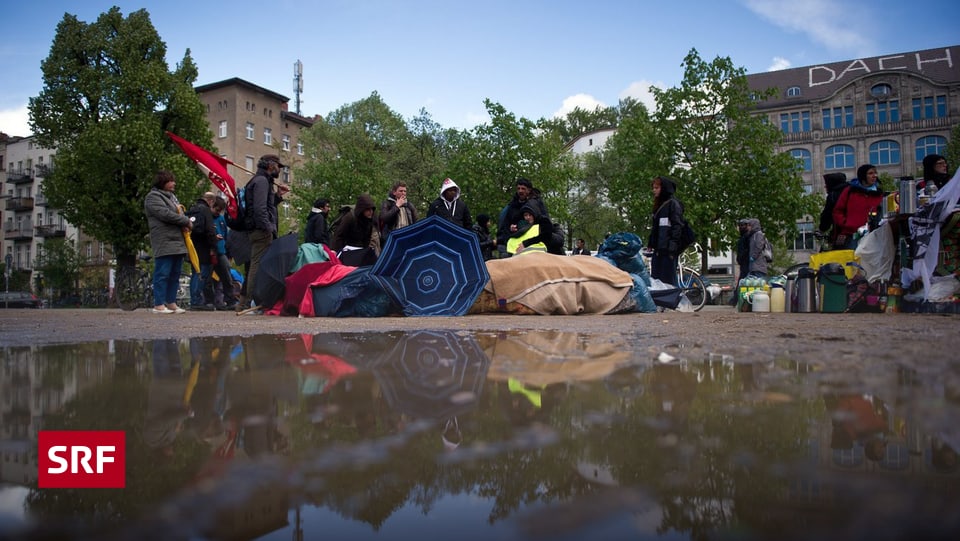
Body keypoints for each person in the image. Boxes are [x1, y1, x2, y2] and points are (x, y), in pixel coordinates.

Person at [241, 154, 289, 311]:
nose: (279, 170)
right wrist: (269, 228)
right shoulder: (261, 181)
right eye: (278, 166)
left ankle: (248, 302)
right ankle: (251, 302)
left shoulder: (261, 180)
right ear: (270, 165)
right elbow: (260, 209)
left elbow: (267, 205)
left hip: (258, 229)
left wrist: (277, 196)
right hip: (261, 231)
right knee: (257, 266)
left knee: (257, 265)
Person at [144, 170, 191, 314]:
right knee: (162, 273)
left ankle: (171, 303)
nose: (174, 183)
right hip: (164, 240)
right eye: (171, 181)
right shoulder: (153, 197)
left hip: (177, 240)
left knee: (175, 273)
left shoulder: (172, 197)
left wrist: (185, 221)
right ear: (163, 182)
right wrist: (185, 221)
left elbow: (179, 213)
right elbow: (166, 214)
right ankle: (158, 304)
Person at [832, 164, 883, 250]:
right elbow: (837, 211)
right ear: (863, 176)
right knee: (853, 262)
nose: (874, 176)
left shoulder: (879, 194)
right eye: (870, 173)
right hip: (853, 235)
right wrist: (846, 224)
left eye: (875, 173)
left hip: (873, 236)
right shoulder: (850, 191)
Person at [497, 177, 550, 257]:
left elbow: (546, 227)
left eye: (523, 189)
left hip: (534, 246)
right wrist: (512, 228)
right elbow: (506, 225)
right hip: (515, 246)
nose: (520, 191)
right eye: (518, 188)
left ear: (529, 190)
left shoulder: (537, 204)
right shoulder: (512, 206)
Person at [647, 176, 684, 286]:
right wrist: (651, 243)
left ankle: (671, 301)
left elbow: (677, 226)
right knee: (657, 280)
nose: (654, 190)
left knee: (668, 280)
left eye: (656, 188)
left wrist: (672, 246)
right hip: (659, 249)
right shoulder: (659, 206)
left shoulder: (673, 204)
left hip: (668, 250)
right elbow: (656, 228)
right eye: (653, 188)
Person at [187, 192, 218, 311]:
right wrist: (213, 245)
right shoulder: (205, 211)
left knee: (195, 273)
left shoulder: (192, 208)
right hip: (204, 248)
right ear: (210, 201)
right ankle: (197, 301)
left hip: (192, 246)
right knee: (201, 273)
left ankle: (194, 300)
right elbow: (210, 230)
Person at [331, 194, 381, 266]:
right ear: (362, 209)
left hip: (361, 250)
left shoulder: (370, 219)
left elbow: (368, 237)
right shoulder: (350, 217)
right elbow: (339, 235)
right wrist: (335, 251)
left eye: (372, 209)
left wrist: (365, 250)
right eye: (368, 209)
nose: (371, 212)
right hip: (347, 250)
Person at [210, 197, 237, 310]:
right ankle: (209, 301)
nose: (218, 212)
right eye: (216, 209)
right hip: (210, 252)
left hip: (221, 252)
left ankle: (229, 299)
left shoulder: (221, 219)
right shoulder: (207, 218)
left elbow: (226, 236)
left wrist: (228, 252)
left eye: (220, 210)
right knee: (207, 278)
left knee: (227, 275)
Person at [818, 172, 849, 248]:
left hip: (841, 232)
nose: (825, 187)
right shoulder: (852, 192)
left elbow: (827, 215)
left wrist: (822, 229)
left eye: (827, 184)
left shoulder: (833, 196)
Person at [735, 218, 770, 283]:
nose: (748, 227)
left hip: (757, 265)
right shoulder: (752, 235)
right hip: (753, 266)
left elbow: (758, 247)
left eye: (749, 225)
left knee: (758, 284)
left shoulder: (757, 234)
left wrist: (753, 257)